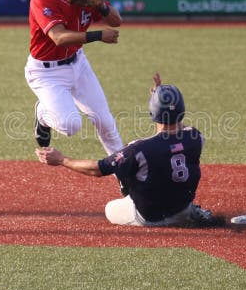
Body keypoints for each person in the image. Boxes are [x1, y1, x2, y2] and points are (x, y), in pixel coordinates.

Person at [35, 73, 222, 227]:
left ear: (152, 112)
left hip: (150, 218)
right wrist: (163, 101)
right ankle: (190, 211)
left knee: (111, 207)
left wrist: (62, 160)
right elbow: (178, 133)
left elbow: (98, 169)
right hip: (181, 211)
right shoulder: (196, 138)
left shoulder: (139, 149)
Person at [25, 0, 124, 155]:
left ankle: (123, 168)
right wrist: (98, 35)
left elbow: (116, 21)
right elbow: (59, 37)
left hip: (78, 64)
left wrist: (100, 5)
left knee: (105, 121)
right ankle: (43, 114)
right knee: (70, 125)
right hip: (47, 73)